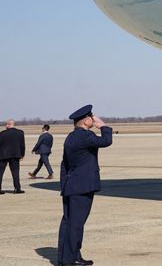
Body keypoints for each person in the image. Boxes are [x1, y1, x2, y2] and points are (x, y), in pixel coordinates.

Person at [58, 105, 112, 266]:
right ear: (85, 121)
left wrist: (65, 184)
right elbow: (106, 141)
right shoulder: (84, 136)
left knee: (69, 222)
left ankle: (69, 256)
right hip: (82, 186)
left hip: (71, 185)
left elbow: (64, 164)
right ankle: (70, 259)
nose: (93, 119)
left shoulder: (71, 137)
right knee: (76, 224)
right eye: (91, 117)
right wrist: (102, 125)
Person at [0, 119, 26, 194]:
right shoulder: (20, 133)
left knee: (0, 173)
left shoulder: (2, 133)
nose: (5, 126)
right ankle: (17, 189)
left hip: (3, 155)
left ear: (9, 124)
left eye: (6, 124)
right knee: (15, 173)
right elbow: (22, 145)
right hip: (15, 155)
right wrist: (22, 154)